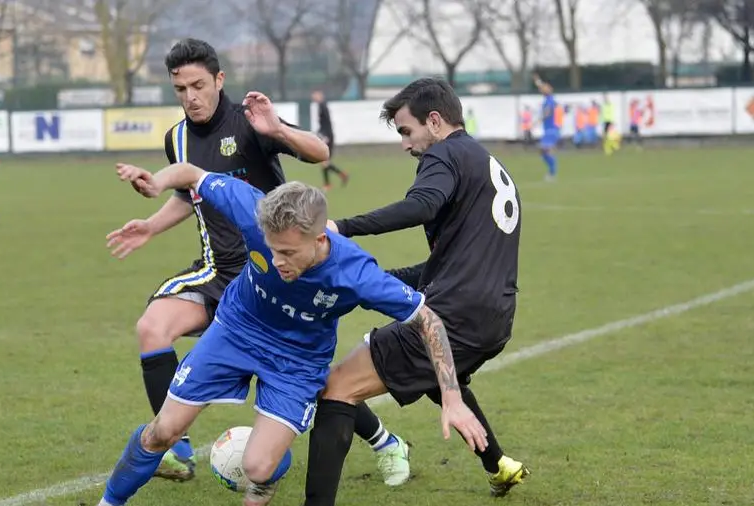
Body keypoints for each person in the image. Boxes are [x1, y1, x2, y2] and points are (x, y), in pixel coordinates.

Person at [105, 38, 410, 486]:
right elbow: (190, 193)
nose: (190, 97)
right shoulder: (178, 138)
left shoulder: (249, 122)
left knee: (312, 378)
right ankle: (175, 447)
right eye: (180, 89)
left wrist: (279, 131)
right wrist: (151, 226)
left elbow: (319, 152)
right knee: (153, 327)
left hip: (275, 267)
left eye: (198, 85)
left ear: (219, 80)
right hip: (217, 270)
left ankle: (385, 441)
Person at [96, 161, 486, 506]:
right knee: (163, 431)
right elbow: (193, 173)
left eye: (289, 253)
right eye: (273, 250)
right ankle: (109, 501)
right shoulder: (251, 211)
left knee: (258, 467)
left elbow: (428, 319)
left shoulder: (354, 272)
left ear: (319, 240)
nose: (278, 261)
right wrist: (157, 182)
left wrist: (451, 397)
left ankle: (264, 482)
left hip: (297, 362)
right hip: (236, 330)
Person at [302, 77, 530, 506]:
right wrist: (370, 280)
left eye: (407, 132)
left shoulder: (442, 155)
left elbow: (422, 205)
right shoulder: (482, 160)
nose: (406, 145)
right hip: (494, 316)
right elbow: (442, 268)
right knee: (431, 369)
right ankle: (498, 463)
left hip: (455, 315)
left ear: (436, 121)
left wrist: (344, 229)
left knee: (337, 387)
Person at [311, 90, 349, 191]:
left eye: (315, 94)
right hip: (326, 135)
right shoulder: (322, 106)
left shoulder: (322, 106)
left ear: (320, 95)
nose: (313, 96)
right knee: (324, 162)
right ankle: (332, 181)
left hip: (327, 136)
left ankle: (337, 178)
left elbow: (326, 123)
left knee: (324, 161)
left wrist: (324, 135)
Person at [532, 74, 558, 181]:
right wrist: (538, 81)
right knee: (543, 152)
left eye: (546, 87)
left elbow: (548, 112)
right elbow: (542, 88)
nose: (543, 89)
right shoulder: (547, 98)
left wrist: (538, 120)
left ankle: (552, 173)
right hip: (548, 130)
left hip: (551, 130)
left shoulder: (551, 100)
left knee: (545, 150)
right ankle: (552, 172)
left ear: (550, 89)